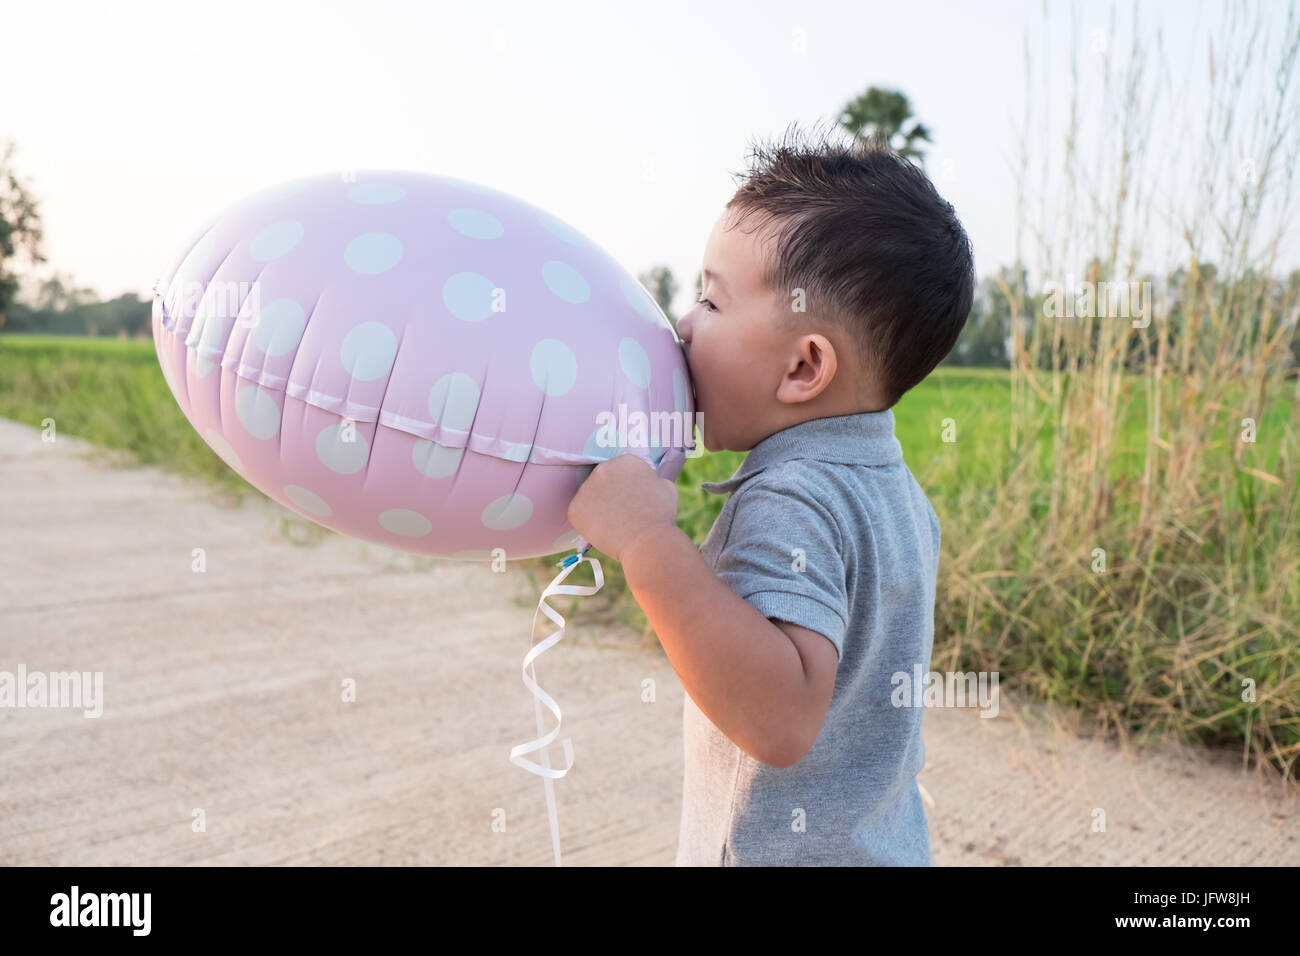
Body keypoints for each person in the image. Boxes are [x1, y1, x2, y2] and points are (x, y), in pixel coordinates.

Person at [567, 120, 975, 865]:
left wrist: (646, 542)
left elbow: (782, 718)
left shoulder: (794, 496)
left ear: (802, 370)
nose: (685, 324)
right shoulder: (892, 489)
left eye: (713, 303)